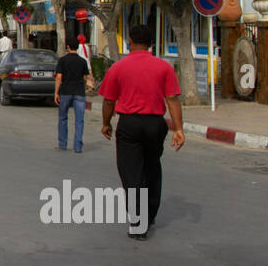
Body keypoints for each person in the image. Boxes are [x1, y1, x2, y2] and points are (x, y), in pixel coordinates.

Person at [98, 25, 183, 240]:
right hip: (155, 124)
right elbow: (172, 99)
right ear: (151, 43)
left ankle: (138, 222)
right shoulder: (164, 67)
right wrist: (179, 128)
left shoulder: (118, 67)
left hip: (129, 124)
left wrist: (106, 123)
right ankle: (150, 213)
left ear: (130, 40)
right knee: (152, 167)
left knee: (131, 172)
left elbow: (109, 100)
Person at [54, 40, 95, 153]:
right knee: (79, 120)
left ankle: (62, 144)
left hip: (65, 92)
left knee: (62, 118)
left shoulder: (62, 60)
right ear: (77, 47)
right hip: (79, 93)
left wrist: (56, 92)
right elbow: (85, 77)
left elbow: (59, 77)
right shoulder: (82, 61)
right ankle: (77, 146)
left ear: (68, 47)